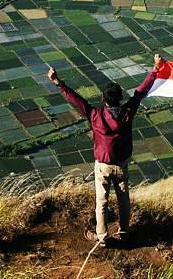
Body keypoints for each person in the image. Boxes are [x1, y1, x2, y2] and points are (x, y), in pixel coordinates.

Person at [47, 54, 160, 244]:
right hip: (121, 164)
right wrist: (155, 69)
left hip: (103, 165)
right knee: (123, 200)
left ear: (103, 98)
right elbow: (140, 92)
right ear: (120, 98)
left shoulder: (95, 115)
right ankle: (124, 233)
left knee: (102, 201)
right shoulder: (128, 112)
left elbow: (76, 100)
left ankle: (102, 237)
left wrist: (58, 82)